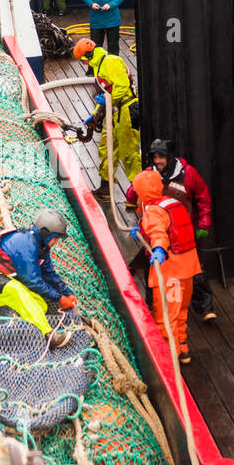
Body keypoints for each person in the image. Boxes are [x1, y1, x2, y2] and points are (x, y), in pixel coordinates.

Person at [125, 138, 216, 321]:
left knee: (195, 272)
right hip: (155, 234)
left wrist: (203, 225)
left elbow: (203, 198)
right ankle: (154, 309)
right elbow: (131, 194)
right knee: (153, 273)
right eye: (154, 157)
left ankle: (205, 308)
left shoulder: (188, 174)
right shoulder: (149, 175)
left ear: (170, 156)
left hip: (182, 233)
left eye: (161, 157)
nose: (157, 161)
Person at [129, 168, 201, 364]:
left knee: (166, 316)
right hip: (188, 268)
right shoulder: (173, 203)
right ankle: (182, 347)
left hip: (171, 274)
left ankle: (170, 356)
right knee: (181, 311)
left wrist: (159, 250)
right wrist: (143, 232)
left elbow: (159, 233)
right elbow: (170, 226)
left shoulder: (152, 211)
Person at [0, 208, 77, 346]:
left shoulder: (41, 247)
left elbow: (49, 274)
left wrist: (68, 293)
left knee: (41, 305)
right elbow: (33, 282)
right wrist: (59, 298)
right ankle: (49, 336)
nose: (57, 242)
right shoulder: (25, 244)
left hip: (6, 279)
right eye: (56, 237)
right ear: (46, 233)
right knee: (18, 292)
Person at [73, 37, 141, 201]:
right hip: (113, 110)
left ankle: (139, 193)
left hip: (126, 109)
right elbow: (107, 93)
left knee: (129, 152)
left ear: (88, 56)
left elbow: (122, 88)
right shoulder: (98, 67)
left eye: (82, 60)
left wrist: (107, 99)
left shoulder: (111, 62)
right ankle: (106, 186)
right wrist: (95, 115)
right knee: (106, 148)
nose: (83, 64)